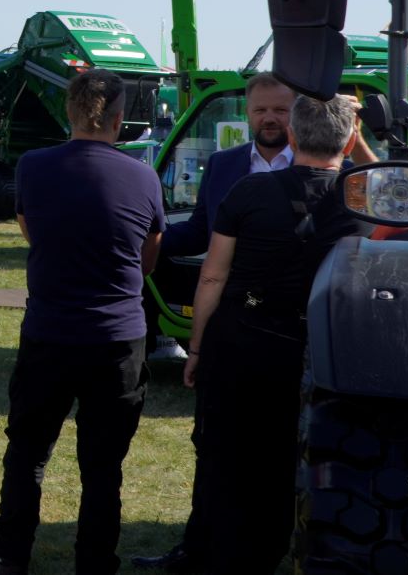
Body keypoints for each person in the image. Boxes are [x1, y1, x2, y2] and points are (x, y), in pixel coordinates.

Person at [181, 93, 374, 575]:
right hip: (321, 345)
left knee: (229, 460)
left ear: (291, 135)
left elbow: (212, 276)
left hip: (243, 334)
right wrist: (360, 142)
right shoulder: (364, 198)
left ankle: (225, 555)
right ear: (349, 140)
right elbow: (394, 175)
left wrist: (197, 346)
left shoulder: (247, 192)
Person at [0, 71, 166, 575]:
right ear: (118, 119)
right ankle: (94, 563)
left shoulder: (33, 167)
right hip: (116, 339)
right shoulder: (143, 177)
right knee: (102, 467)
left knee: (27, 454)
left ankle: (12, 559)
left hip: (49, 332)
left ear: (68, 113)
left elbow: (33, 233)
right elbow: (147, 260)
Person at [134, 72, 296, 571]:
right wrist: (144, 244)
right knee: (211, 442)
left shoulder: (323, 166)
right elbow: (203, 230)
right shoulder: (225, 164)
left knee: (282, 449)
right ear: (246, 115)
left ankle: (275, 549)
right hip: (230, 323)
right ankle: (195, 547)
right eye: (260, 111)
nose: (269, 119)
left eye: (280, 111)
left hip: (290, 328)